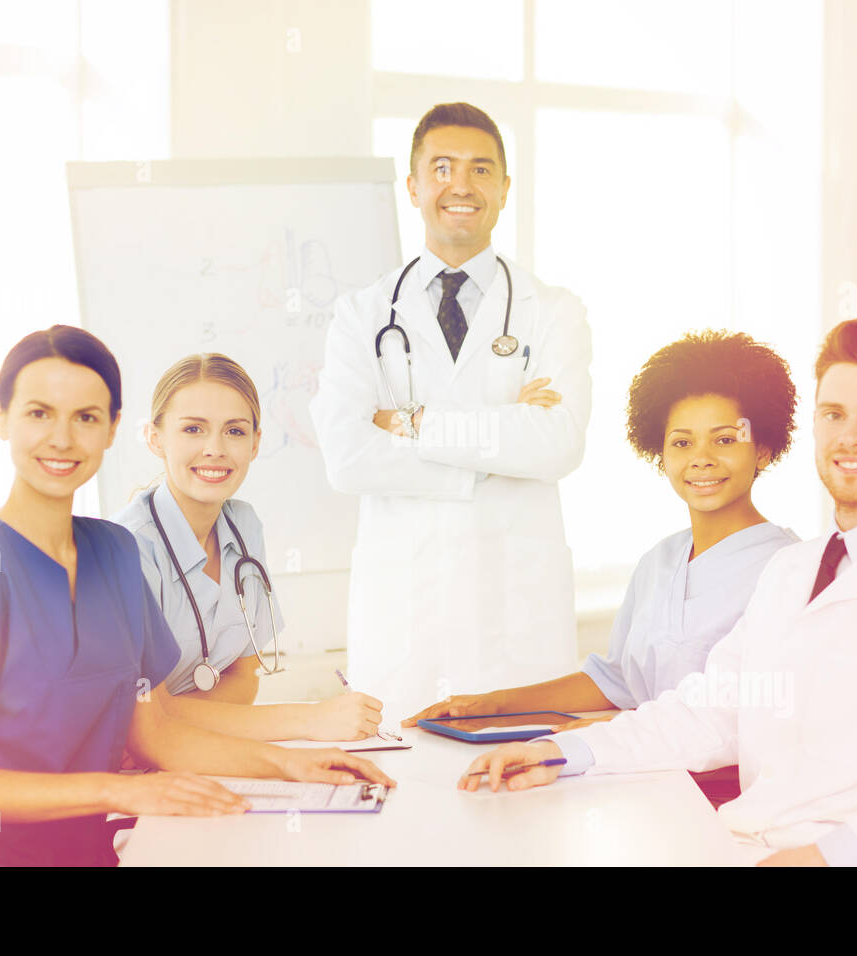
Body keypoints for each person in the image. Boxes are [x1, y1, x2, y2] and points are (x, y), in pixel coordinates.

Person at [458, 314, 857, 868]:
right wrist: (563, 754)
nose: (850, 437)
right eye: (834, 414)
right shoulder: (793, 572)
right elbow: (710, 710)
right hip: (744, 845)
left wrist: (838, 856)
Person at [0, 325, 392, 866]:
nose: (62, 438)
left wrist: (288, 766)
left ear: (112, 430)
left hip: (81, 850)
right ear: (1, 419)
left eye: (86, 417)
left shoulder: (115, 554)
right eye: (39, 413)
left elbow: (157, 738)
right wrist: (118, 791)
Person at [404, 331, 800, 806]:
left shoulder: (789, 570)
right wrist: (489, 704)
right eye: (681, 442)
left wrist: (579, 739)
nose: (702, 459)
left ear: (764, 449)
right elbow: (616, 681)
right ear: (660, 453)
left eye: (725, 439)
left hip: (723, 797)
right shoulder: (660, 561)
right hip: (630, 777)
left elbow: (735, 717)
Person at [310, 102, 592, 716]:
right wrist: (496, 447)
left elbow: (557, 444)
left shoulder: (554, 310)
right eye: (441, 168)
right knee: (400, 789)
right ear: (412, 187)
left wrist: (411, 424)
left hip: (517, 620)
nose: (460, 185)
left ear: (504, 189)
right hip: (406, 617)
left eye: (480, 170)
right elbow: (348, 459)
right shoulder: (361, 314)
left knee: (522, 795)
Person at [112, 353, 385, 740]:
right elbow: (142, 718)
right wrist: (309, 720)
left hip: (197, 752)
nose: (215, 449)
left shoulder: (243, 527)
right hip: (126, 767)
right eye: (193, 429)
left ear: (256, 443)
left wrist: (179, 717)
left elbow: (243, 678)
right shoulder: (125, 548)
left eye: (235, 431)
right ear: (155, 438)